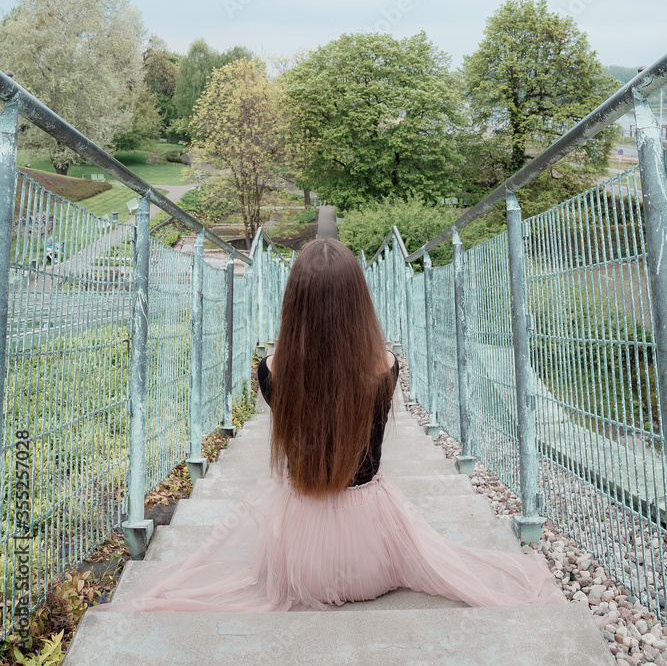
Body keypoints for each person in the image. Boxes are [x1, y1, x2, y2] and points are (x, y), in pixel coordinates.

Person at [92, 239, 564, 613]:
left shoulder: (270, 370)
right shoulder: (387, 365)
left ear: (293, 303)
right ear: (360, 299)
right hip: (376, 560)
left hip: (301, 565)